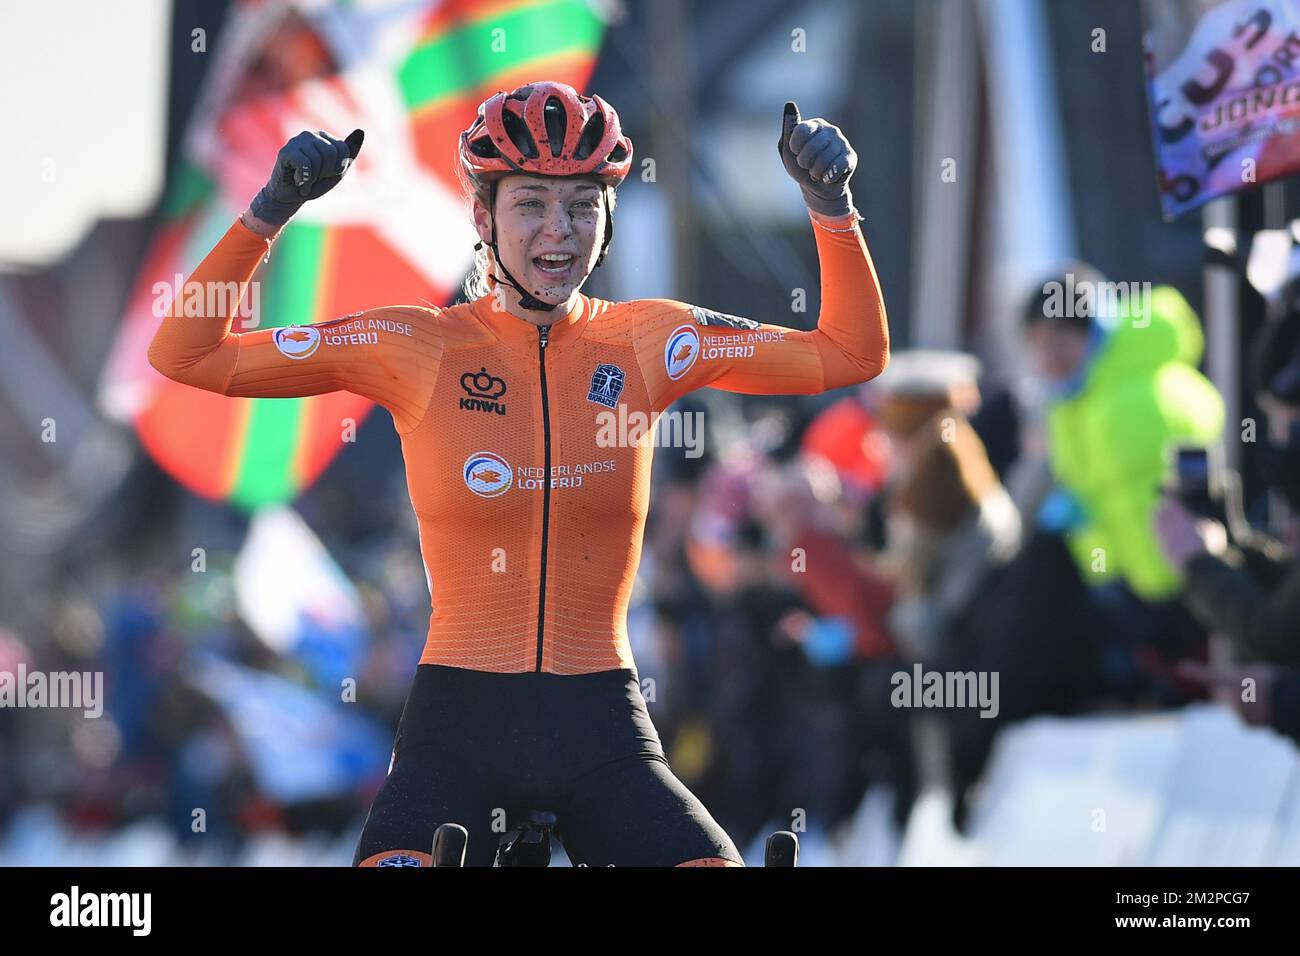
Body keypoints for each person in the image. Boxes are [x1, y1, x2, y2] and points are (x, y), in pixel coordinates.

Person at [147, 81, 889, 866]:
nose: (557, 231)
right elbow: (187, 354)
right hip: (456, 736)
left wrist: (831, 209)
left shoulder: (651, 339)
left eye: (580, 205)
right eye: (531, 203)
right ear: (482, 218)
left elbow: (850, 353)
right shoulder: (418, 345)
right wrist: (268, 212)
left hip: (604, 731)